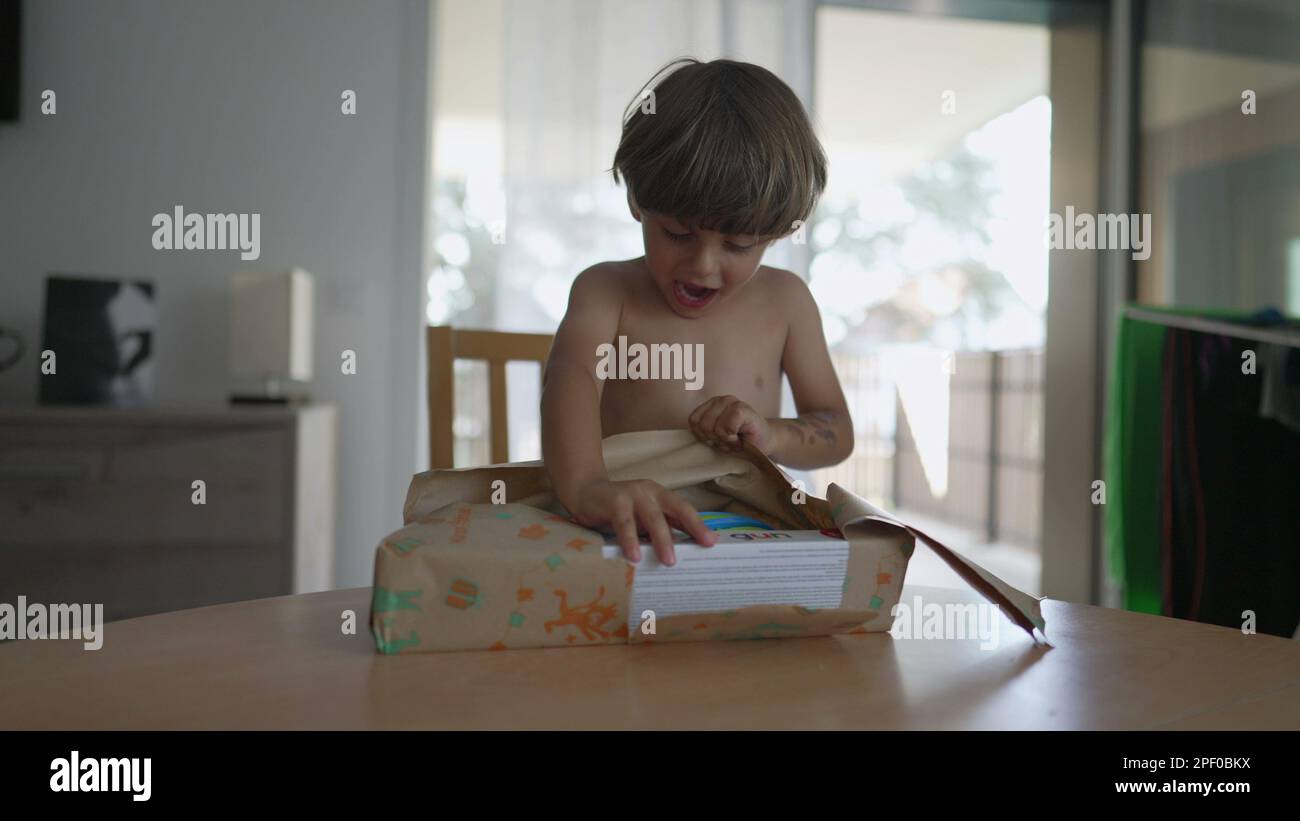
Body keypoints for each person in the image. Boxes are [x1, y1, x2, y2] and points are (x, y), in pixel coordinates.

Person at [541, 58, 852, 567]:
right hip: (621, 518)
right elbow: (569, 377)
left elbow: (835, 427)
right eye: (678, 235)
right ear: (638, 201)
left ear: (775, 233)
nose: (703, 265)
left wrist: (770, 434)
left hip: (750, 529)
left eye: (738, 244)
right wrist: (588, 487)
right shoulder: (605, 291)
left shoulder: (788, 301)